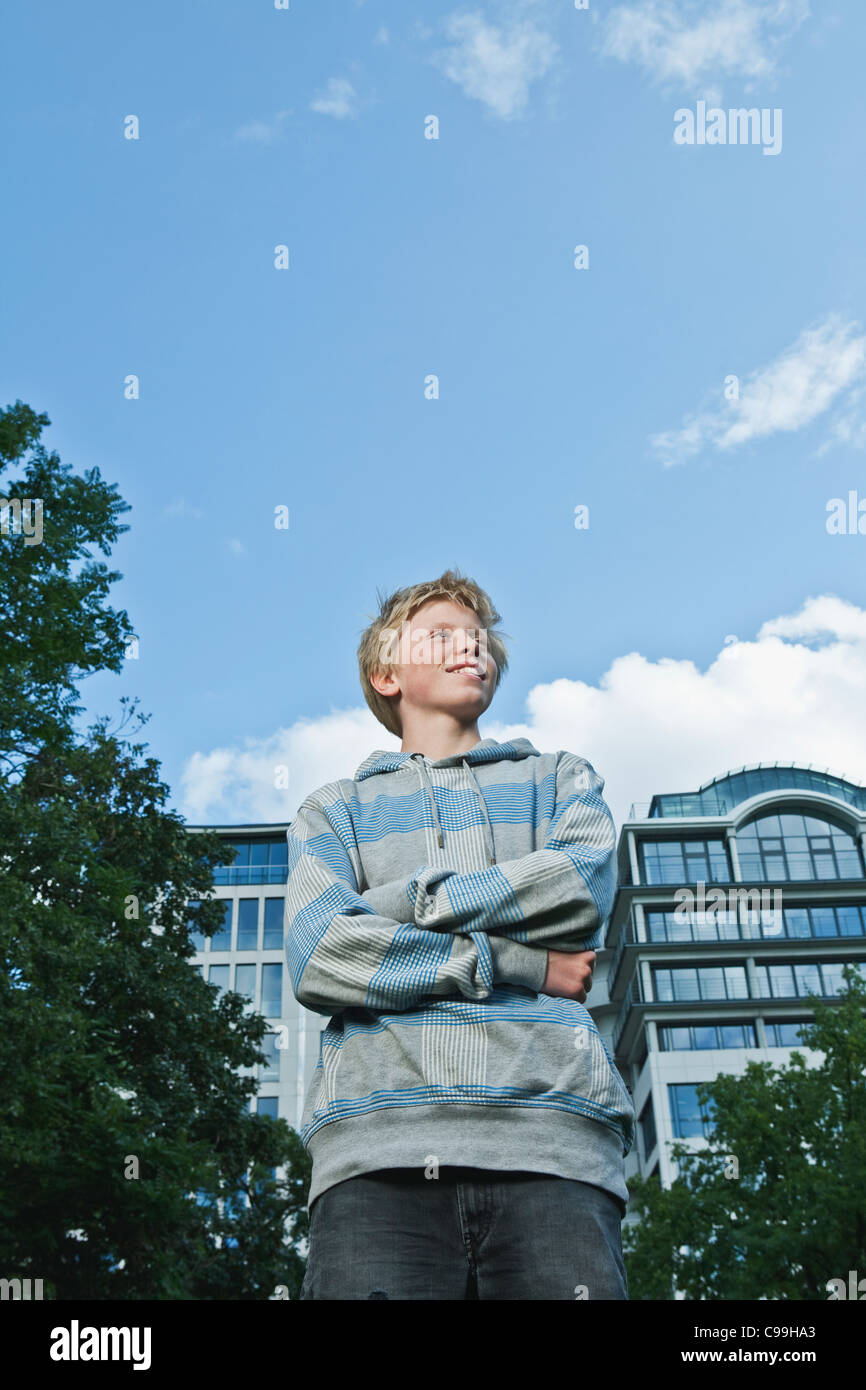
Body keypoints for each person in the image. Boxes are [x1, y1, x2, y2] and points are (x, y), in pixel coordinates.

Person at [285, 567, 635, 1299]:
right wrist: (516, 960)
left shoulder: (559, 778)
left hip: (555, 1148)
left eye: (479, 638)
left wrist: (393, 904)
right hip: (377, 1156)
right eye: (440, 635)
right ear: (386, 673)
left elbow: (574, 894)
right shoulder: (333, 811)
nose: (470, 648)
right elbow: (320, 955)